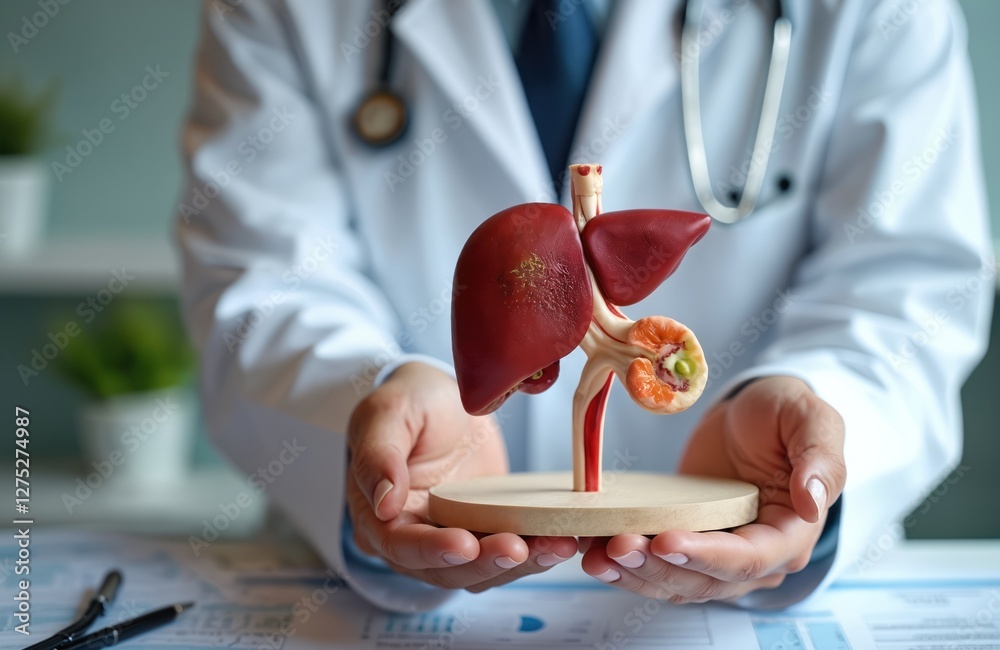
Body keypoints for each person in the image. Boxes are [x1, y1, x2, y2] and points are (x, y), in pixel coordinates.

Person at [175, 0, 993, 612]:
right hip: (383, 601)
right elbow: (264, 277)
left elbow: (908, 283)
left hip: (764, 613)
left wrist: (818, 413)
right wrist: (379, 395)